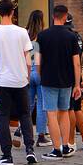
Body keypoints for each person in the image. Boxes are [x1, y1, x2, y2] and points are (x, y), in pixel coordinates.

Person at [0, 0, 36, 165]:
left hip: (2, 81)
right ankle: (30, 150)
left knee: (3, 116)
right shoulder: (22, 32)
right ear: (13, 12)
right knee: (25, 115)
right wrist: (27, 75)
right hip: (20, 80)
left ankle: (7, 156)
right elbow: (28, 58)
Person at [37, 5, 82, 160]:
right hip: (67, 80)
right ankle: (66, 146)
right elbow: (76, 63)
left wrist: (40, 74)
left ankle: (56, 150)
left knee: (51, 113)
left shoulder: (42, 36)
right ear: (65, 17)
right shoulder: (71, 37)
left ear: (53, 17)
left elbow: (38, 60)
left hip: (48, 79)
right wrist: (77, 84)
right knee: (64, 112)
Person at [64, 13, 83, 151]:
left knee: (69, 109)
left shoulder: (66, 37)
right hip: (77, 74)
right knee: (77, 108)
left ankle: (70, 141)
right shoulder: (78, 36)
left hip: (67, 75)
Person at [26, 9, 49, 147]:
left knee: (27, 105)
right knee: (42, 105)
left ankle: (22, 131)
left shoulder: (25, 33)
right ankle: (41, 136)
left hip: (27, 72)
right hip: (40, 71)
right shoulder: (44, 35)